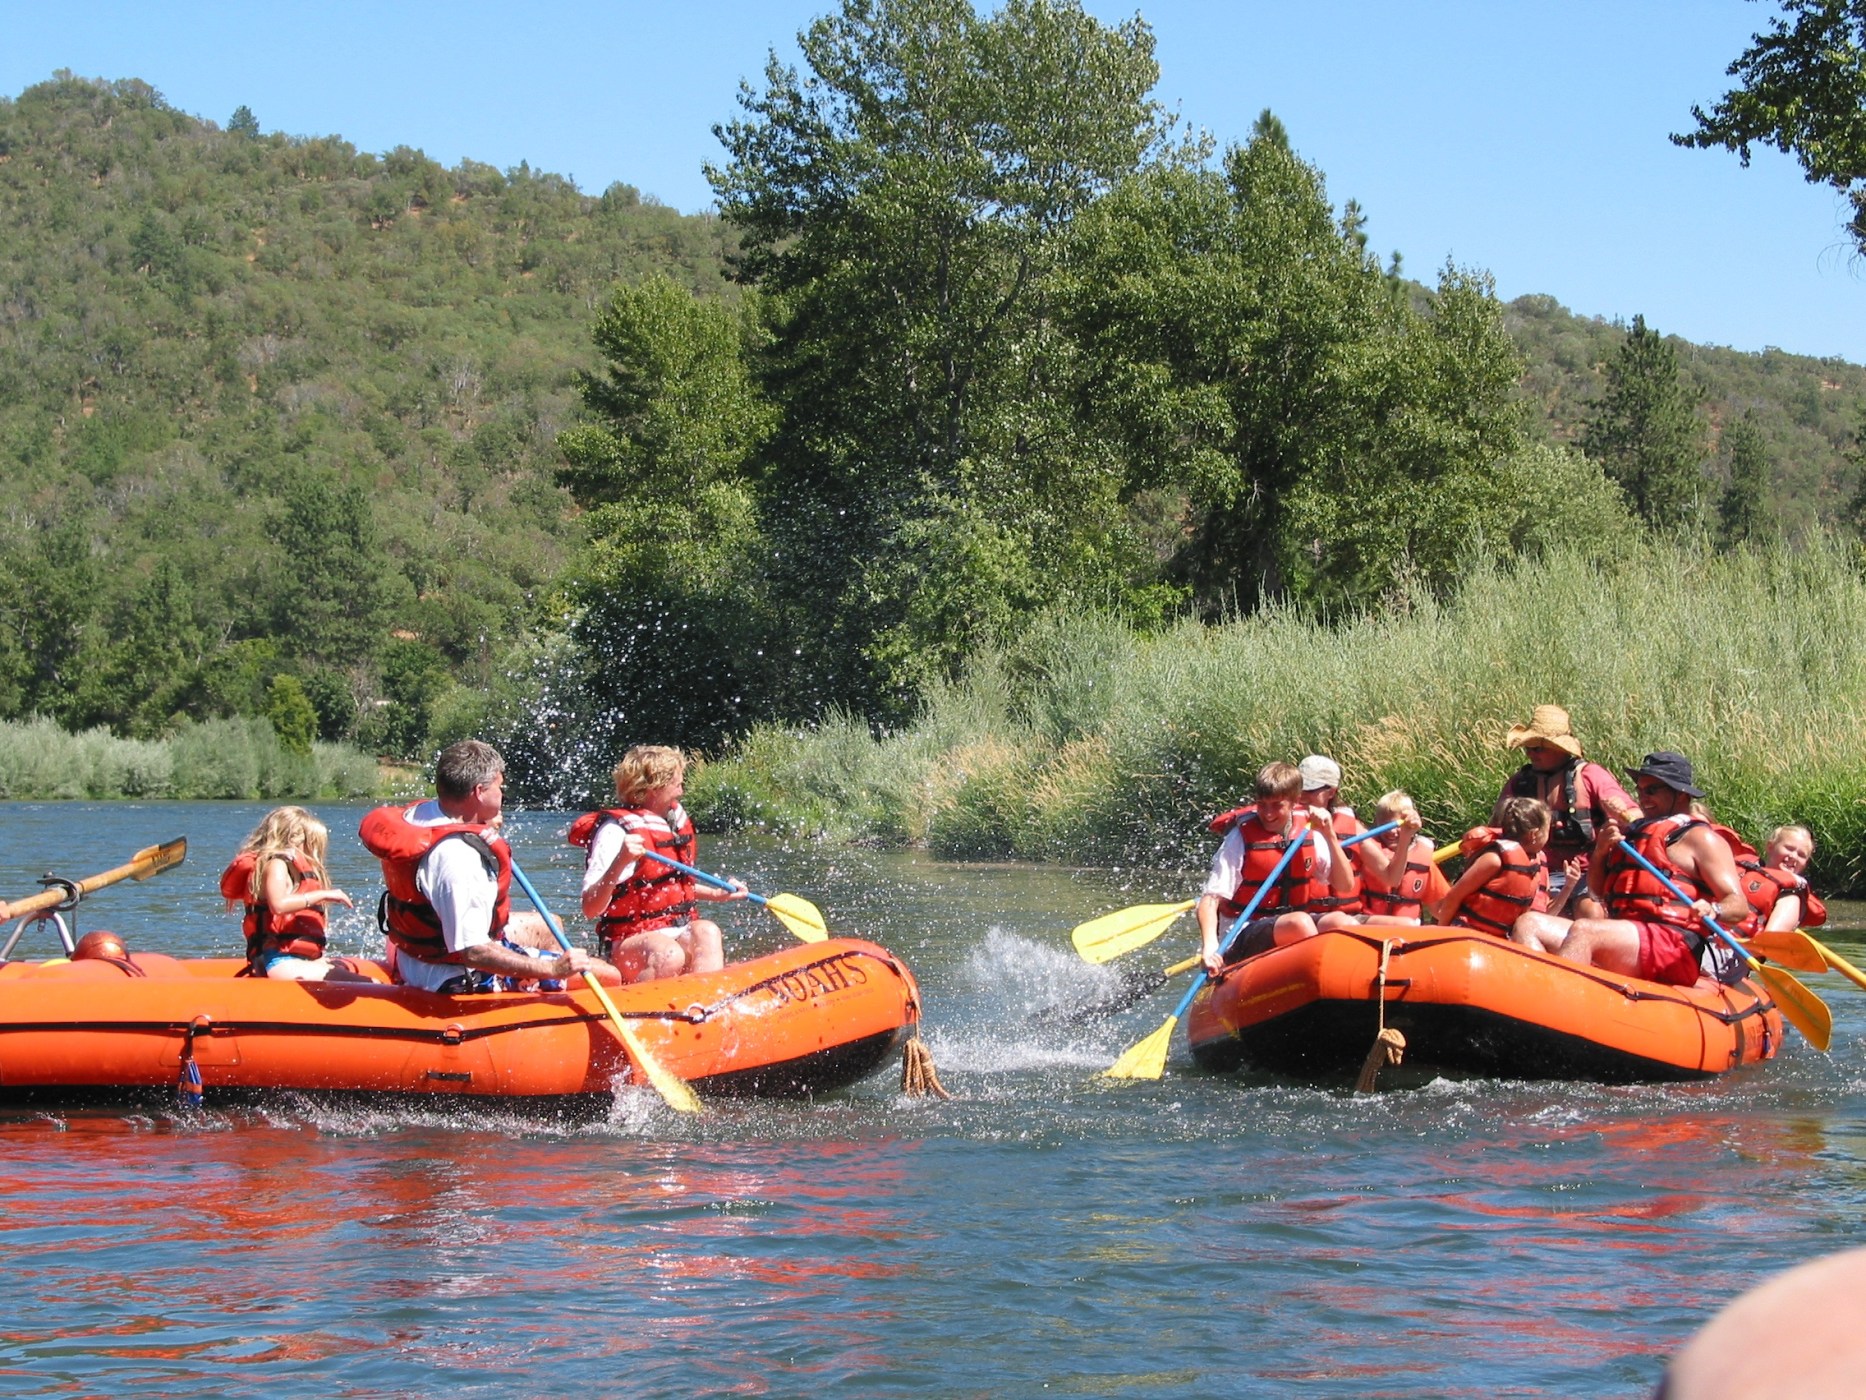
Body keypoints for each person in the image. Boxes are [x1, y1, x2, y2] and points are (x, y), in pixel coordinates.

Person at [359, 739, 613, 994]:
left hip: (415, 955)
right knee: (608, 975)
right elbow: (474, 951)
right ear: (479, 792)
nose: (503, 794)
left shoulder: (421, 815)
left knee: (550, 925)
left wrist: (481, 826)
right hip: (452, 975)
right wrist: (553, 969)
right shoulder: (458, 857)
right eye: (499, 787)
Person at [1512, 752, 1750, 987]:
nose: (1642, 797)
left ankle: (1557, 1006)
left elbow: (1738, 905)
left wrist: (1714, 909)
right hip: (1627, 935)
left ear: (1680, 793)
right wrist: (1601, 850)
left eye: (1652, 790)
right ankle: (1532, 1003)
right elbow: (1596, 893)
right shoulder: (1634, 837)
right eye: (1640, 789)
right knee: (1529, 924)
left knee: (1585, 930)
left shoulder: (1702, 839)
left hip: (1673, 945)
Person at [571, 744, 742, 983]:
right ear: (654, 788)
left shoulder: (671, 822)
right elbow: (590, 908)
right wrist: (620, 861)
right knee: (668, 955)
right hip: (628, 941)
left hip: (672, 929)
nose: (681, 791)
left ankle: (704, 1006)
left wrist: (716, 893)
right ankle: (641, 1009)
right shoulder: (615, 832)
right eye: (677, 783)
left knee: (707, 931)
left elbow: (665, 889)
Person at [1198, 761, 1356, 973]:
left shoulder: (1309, 831)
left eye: (1277, 805)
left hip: (1291, 925)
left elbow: (1345, 885)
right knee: (1299, 923)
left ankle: (1340, 983)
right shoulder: (1240, 837)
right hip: (1243, 932)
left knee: (1342, 922)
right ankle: (1313, 979)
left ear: (1294, 802)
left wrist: (1329, 836)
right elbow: (1210, 899)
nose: (1268, 813)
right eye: (1262, 804)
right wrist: (1210, 946)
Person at [1493, 704, 1640, 919]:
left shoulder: (1591, 776)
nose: (1531, 753)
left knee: (1589, 911)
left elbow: (1636, 816)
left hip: (1587, 873)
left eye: (1538, 748)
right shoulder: (1519, 783)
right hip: (1535, 872)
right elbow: (1495, 828)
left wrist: (1621, 814)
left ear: (1559, 748)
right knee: (1523, 916)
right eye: (1528, 747)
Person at [219, 805, 372, 982]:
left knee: (351, 974)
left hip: (293, 960)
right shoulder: (277, 865)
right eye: (313, 844)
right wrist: (323, 895)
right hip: (281, 962)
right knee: (374, 986)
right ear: (294, 839)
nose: (316, 852)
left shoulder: (287, 867)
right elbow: (278, 905)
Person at [1438, 797, 1551, 937]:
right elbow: (1453, 897)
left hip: (1498, 940)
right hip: (1466, 933)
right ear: (1534, 834)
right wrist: (1441, 933)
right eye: (1547, 830)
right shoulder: (1494, 860)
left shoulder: (1534, 863)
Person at [1296, 755, 1367, 927]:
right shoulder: (1285, 821)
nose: (1302, 795)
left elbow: (1390, 877)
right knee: (1343, 924)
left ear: (1331, 792)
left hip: (1346, 915)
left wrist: (1404, 839)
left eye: (1310, 789)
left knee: (1409, 924)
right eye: (1299, 788)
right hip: (1302, 916)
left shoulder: (1353, 827)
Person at [1732, 823, 1827, 937]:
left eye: (1801, 855)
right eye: (1789, 848)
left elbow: (1770, 940)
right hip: (1710, 928)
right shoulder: (1741, 866)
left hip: (1736, 947)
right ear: (1770, 846)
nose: (1793, 856)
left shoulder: (1792, 894)